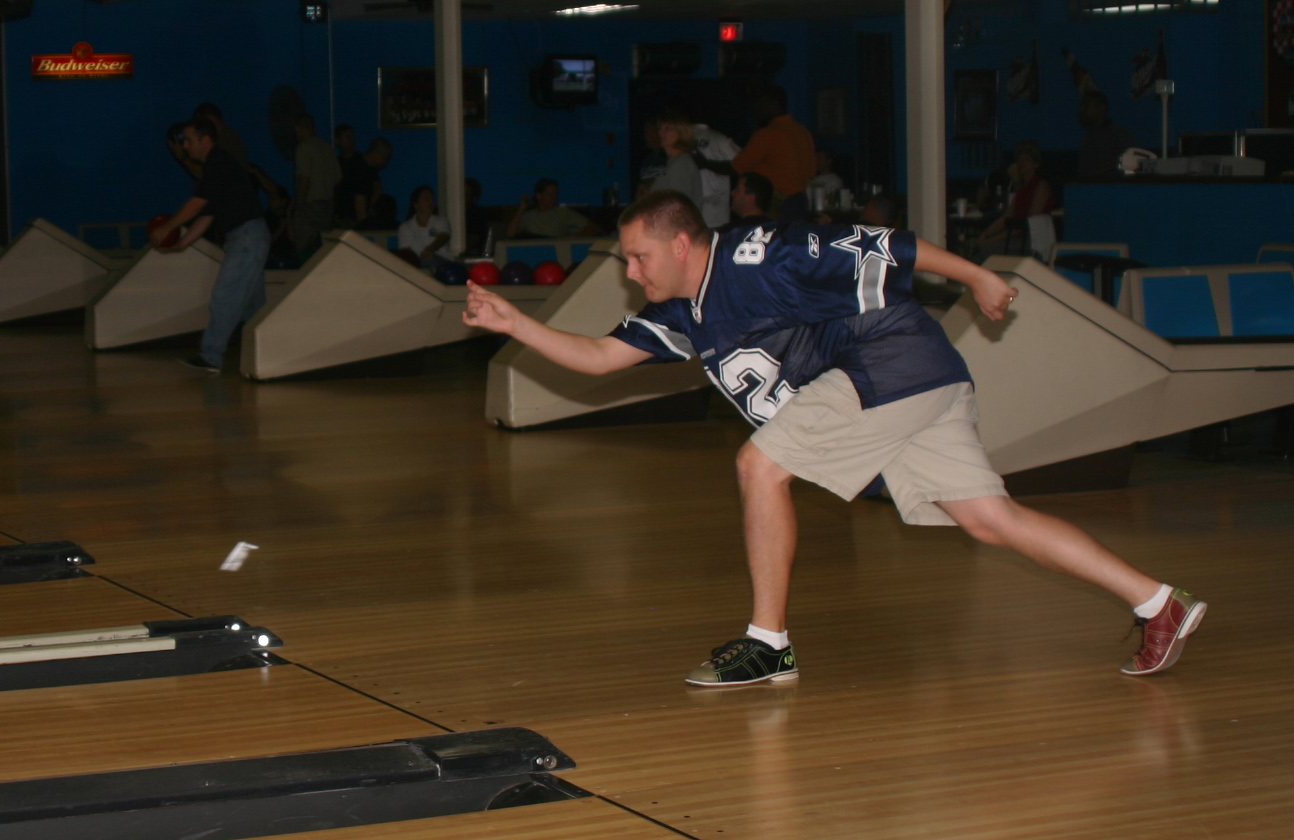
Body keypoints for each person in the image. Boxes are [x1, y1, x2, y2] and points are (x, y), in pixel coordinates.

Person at [461, 188, 1204, 686]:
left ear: (684, 244)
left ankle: (768, 643)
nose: (630, 270)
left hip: (886, 363)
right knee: (989, 518)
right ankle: (1156, 602)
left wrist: (976, 276)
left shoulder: (760, 255)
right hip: (918, 380)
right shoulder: (686, 310)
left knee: (760, 466)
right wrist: (515, 323)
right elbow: (597, 359)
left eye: (638, 257)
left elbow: (885, 246)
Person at [149, 116, 270, 375]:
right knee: (254, 307)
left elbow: (198, 203)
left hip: (247, 239)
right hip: (249, 238)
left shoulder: (218, 162)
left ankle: (211, 357)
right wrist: (183, 242)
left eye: (189, 140)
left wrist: (169, 226)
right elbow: (208, 214)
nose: (185, 145)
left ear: (205, 141)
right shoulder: (216, 166)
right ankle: (271, 353)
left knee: (224, 297)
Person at [730, 86, 817, 221]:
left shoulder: (767, 134)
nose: (757, 110)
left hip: (777, 203)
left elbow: (736, 167)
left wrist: (705, 163)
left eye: (761, 104)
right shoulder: (802, 131)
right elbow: (811, 171)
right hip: (800, 201)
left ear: (774, 104)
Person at [978, 139, 1053, 256]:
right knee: (980, 244)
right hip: (1018, 236)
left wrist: (997, 237)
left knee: (987, 247)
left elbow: (1029, 224)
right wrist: (986, 233)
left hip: (1033, 239)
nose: (1021, 163)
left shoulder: (1040, 186)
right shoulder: (1022, 187)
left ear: (1035, 164)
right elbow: (1008, 216)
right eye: (1019, 160)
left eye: (1026, 160)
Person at [289, 113, 339, 256]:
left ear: (298, 128)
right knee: (323, 252)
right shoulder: (326, 147)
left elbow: (304, 181)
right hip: (327, 208)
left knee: (303, 249)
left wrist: (299, 208)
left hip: (309, 208)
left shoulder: (303, 148)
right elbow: (337, 178)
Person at [649, 115, 706, 221]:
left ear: (681, 134)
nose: (661, 133)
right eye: (660, 128)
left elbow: (678, 207)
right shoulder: (674, 162)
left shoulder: (681, 164)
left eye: (667, 129)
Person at [507, 178, 602, 239]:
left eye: (556, 193)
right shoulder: (529, 216)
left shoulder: (563, 212)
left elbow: (594, 228)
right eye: (549, 194)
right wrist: (521, 208)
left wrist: (572, 238)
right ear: (539, 196)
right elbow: (510, 234)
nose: (554, 197)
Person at [1077, 90, 1135, 178]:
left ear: (1101, 108)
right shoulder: (1089, 136)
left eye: (1086, 106)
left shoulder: (1118, 135)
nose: (1082, 110)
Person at [335, 137, 391, 227]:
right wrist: (364, 225)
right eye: (384, 158)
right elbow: (359, 201)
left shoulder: (369, 167)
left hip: (350, 217)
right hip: (349, 219)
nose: (385, 162)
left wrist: (370, 204)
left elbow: (378, 187)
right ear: (376, 154)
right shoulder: (360, 169)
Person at [396, 185, 453, 268]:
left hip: (442, 261)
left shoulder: (441, 221)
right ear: (416, 204)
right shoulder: (406, 227)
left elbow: (443, 237)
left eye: (432, 199)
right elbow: (406, 252)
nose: (430, 202)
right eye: (426, 198)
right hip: (418, 263)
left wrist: (430, 249)